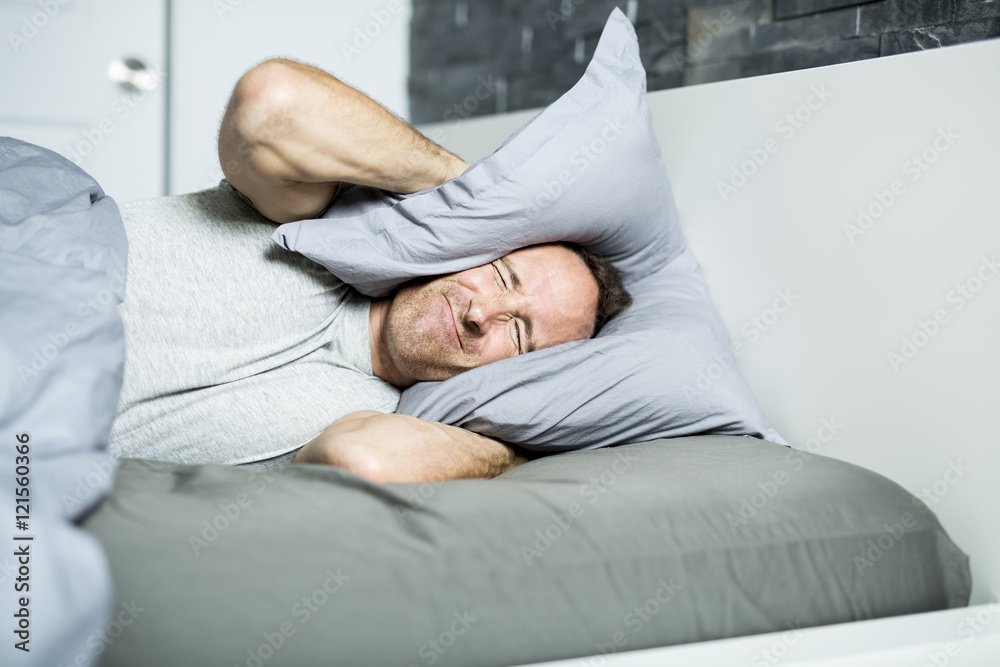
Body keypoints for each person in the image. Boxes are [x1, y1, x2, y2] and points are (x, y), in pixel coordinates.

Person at [108, 57, 630, 485]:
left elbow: (363, 461)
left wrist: (513, 454)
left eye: (519, 333)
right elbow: (270, 103)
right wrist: (468, 198)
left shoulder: (373, 417)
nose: (482, 312)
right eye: (501, 276)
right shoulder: (309, 227)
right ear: (478, 247)